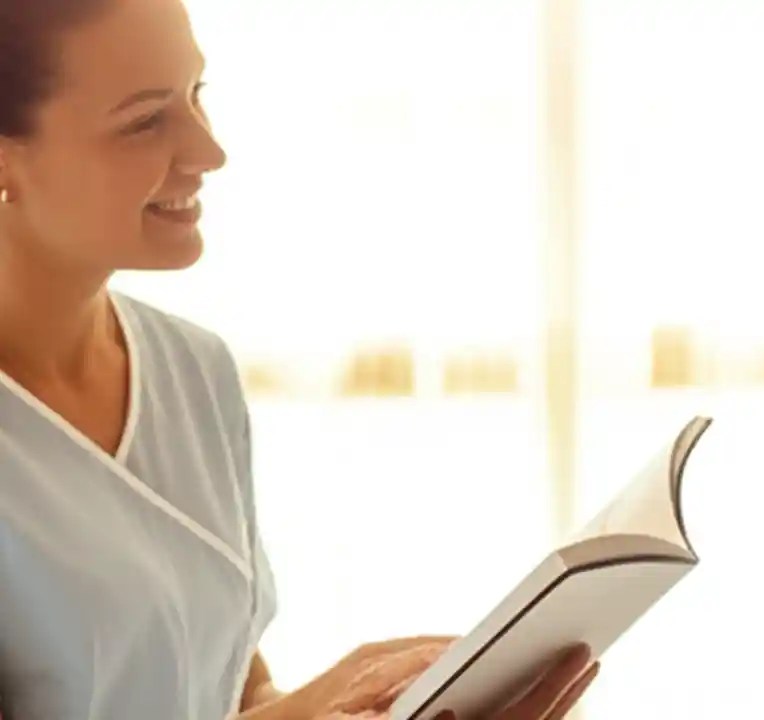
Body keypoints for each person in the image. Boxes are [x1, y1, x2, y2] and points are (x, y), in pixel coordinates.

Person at [0, 0, 597, 718]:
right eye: (145, 121)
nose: (208, 151)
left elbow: (227, 693)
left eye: (197, 95)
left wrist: (350, 702)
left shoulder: (193, 370)